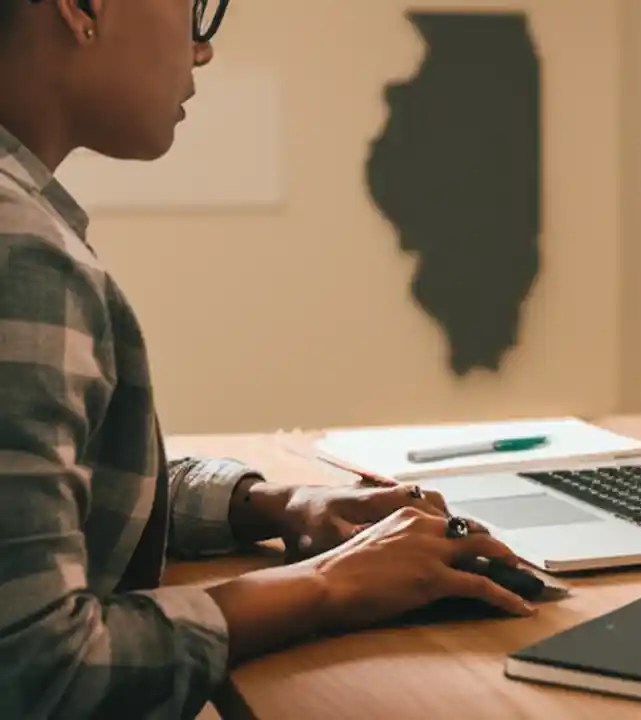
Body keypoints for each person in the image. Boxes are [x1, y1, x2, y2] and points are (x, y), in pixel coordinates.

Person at [0, 2, 533, 718]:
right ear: (83, 7)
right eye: (192, 8)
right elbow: (45, 671)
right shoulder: (22, 259)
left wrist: (271, 504)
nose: (202, 50)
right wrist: (328, 585)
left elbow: (59, 495)